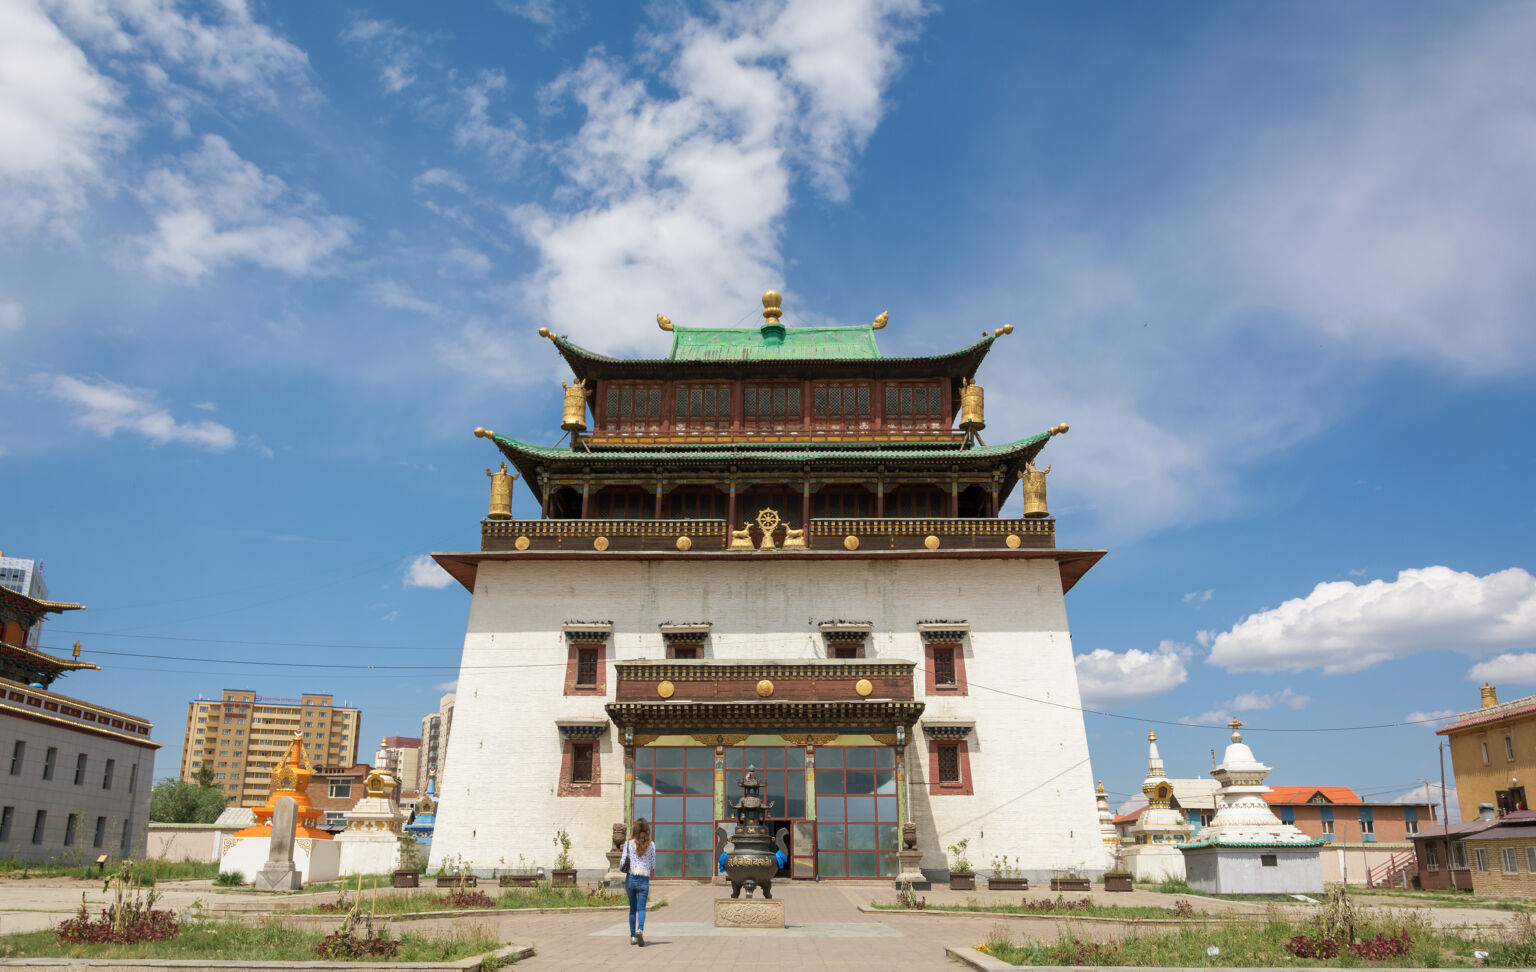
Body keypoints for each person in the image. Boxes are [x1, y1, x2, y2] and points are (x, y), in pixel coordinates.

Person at [620, 818, 655, 946]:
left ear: (634, 829)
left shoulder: (629, 844)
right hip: (644, 879)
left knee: (632, 908)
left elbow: (622, 862)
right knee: (641, 908)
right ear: (647, 830)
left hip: (631, 878)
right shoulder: (651, 845)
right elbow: (653, 864)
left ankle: (633, 936)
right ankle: (640, 929)